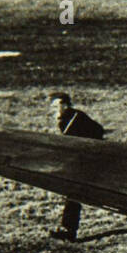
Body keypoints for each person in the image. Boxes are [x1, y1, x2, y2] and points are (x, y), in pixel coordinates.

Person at [48, 92, 105, 242]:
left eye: (56, 105)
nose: (53, 109)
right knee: (73, 195)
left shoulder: (76, 118)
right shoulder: (67, 118)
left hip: (88, 162)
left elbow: (98, 130)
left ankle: (69, 230)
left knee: (74, 195)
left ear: (65, 105)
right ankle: (68, 230)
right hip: (80, 162)